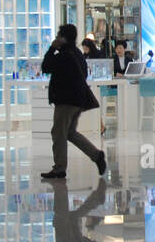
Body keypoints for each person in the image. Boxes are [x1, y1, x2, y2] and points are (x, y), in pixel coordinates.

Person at [40, 23, 106, 179]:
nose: (56, 38)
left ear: (63, 38)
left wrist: (51, 48)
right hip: (77, 100)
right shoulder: (76, 53)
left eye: (58, 36)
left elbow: (46, 66)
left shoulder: (64, 55)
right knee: (69, 132)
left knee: (58, 133)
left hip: (65, 101)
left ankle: (59, 168)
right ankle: (96, 155)